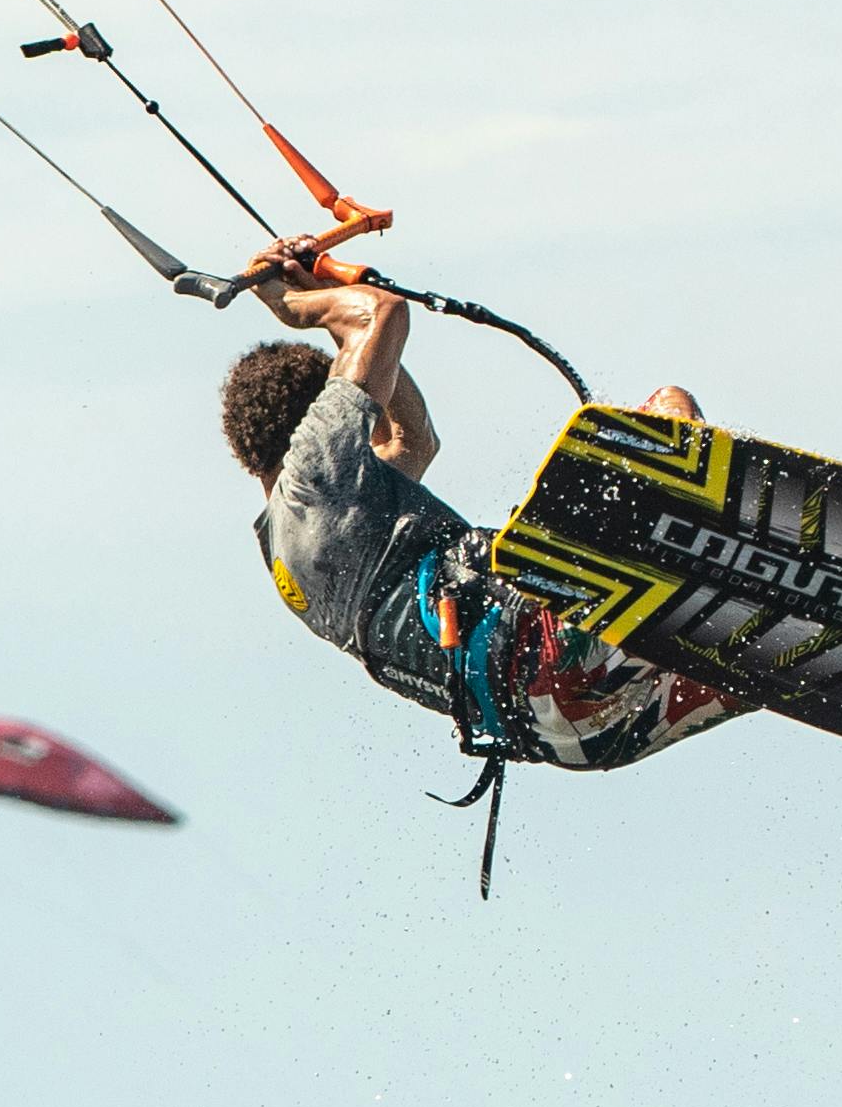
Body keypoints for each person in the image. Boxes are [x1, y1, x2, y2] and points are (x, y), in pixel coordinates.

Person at [218, 261, 743, 774]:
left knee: (762, 660)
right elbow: (383, 313)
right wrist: (297, 305)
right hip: (557, 646)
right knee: (666, 408)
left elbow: (413, 440)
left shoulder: (288, 546)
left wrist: (350, 344)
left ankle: (771, 619)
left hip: (577, 732)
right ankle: (723, 548)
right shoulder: (315, 468)